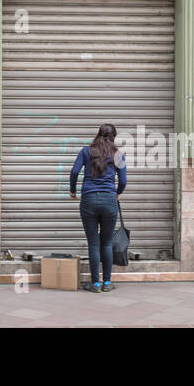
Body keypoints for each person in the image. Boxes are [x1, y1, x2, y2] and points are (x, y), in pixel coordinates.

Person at [69, 124, 127, 293]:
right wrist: (117, 193)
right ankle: (107, 283)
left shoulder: (86, 151)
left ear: (98, 134)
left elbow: (74, 172)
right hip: (109, 200)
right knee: (107, 242)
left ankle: (95, 284)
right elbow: (123, 181)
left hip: (89, 199)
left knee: (93, 243)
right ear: (113, 136)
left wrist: (73, 190)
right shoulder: (118, 154)